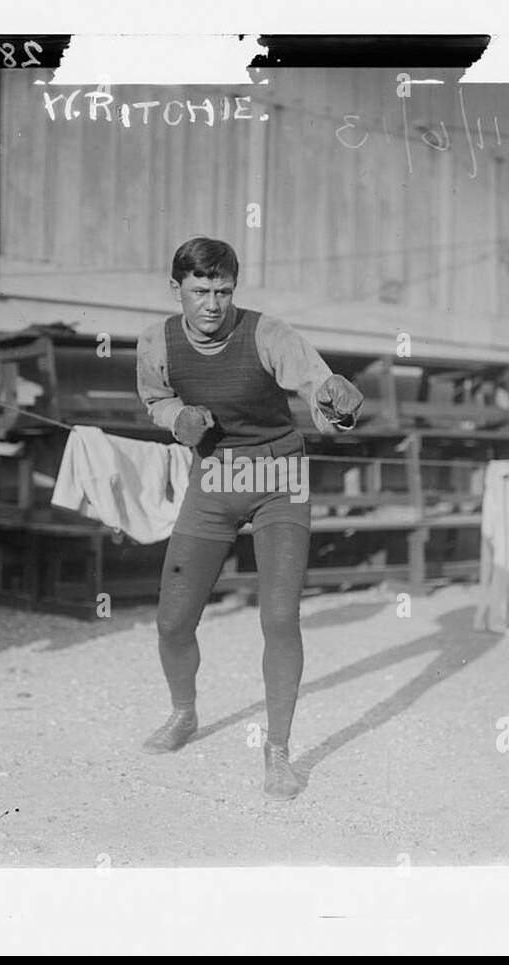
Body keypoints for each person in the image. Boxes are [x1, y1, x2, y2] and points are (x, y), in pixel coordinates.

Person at [136, 237, 363, 800]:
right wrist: (177, 418)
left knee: (280, 618)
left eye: (223, 291)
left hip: (278, 479)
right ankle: (183, 713)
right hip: (215, 479)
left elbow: (317, 385)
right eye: (199, 291)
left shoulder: (268, 333)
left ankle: (278, 751)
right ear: (177, 290)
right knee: (172, 620)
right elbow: (153, 397)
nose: (212, 304)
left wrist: (335, 399)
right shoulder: (155, 341)